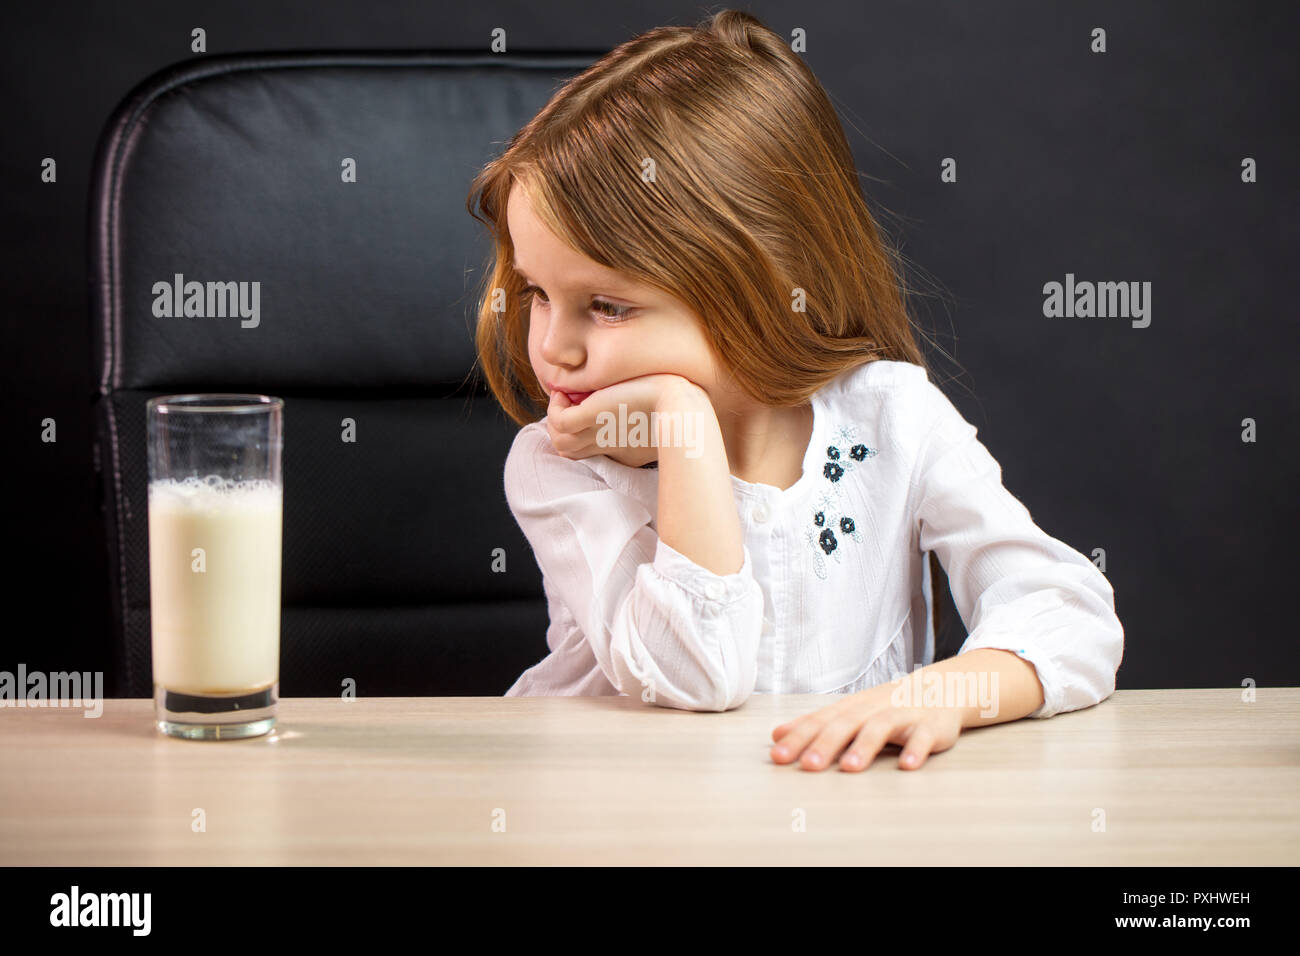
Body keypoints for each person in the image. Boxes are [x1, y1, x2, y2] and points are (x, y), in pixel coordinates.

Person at [466, 9, 1123, 771]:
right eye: (538, 292)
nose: (551, 345)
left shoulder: (892, 417)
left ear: (766, 284)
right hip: (624, 820)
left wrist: (941, 694)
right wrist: (684, 427)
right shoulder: (563, 466)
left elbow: (1072, 613)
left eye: (607, 305)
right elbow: (696, 677)